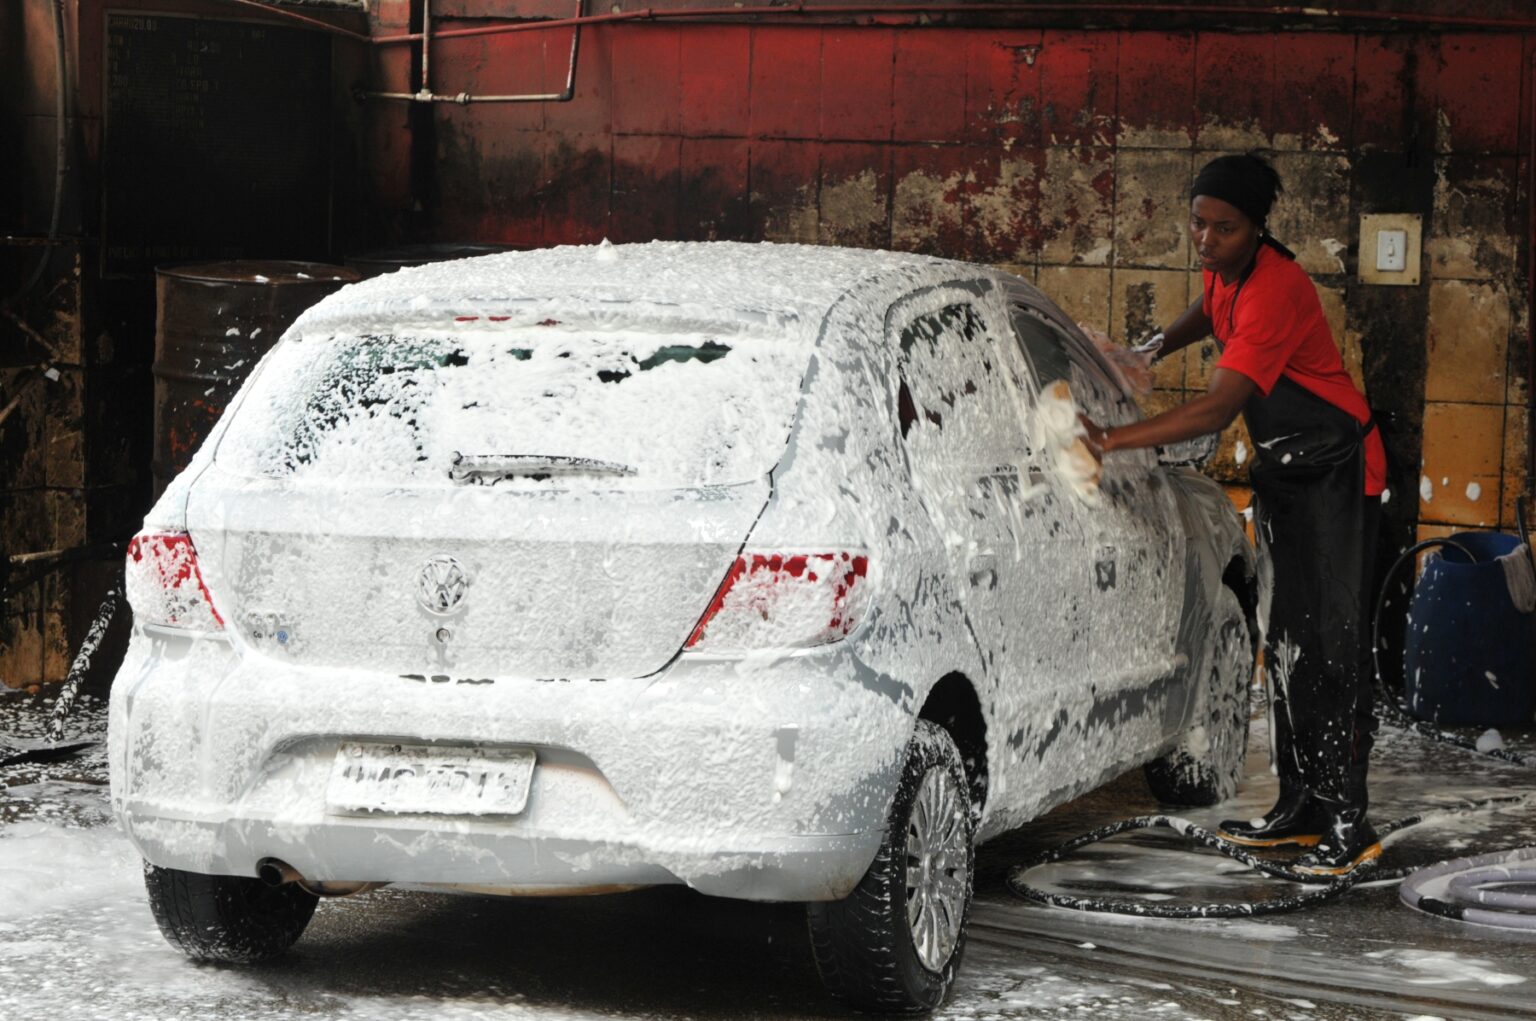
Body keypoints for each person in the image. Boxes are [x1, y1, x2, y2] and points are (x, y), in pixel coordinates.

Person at [1079, 153, 1388, 877]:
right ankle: (1300, 808)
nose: (1207, 239)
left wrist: (1111, 441)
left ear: (1257, 228)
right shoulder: (1228, 271)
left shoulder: (1277, 288)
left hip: (1338, 472)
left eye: (1225, 227)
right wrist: (1153, 347)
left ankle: (1349, 822)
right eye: (1199, 222)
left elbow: (1219, 406)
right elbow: (1212, 307)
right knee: (1285, 642)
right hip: (1287, 470)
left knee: (1330, 648)